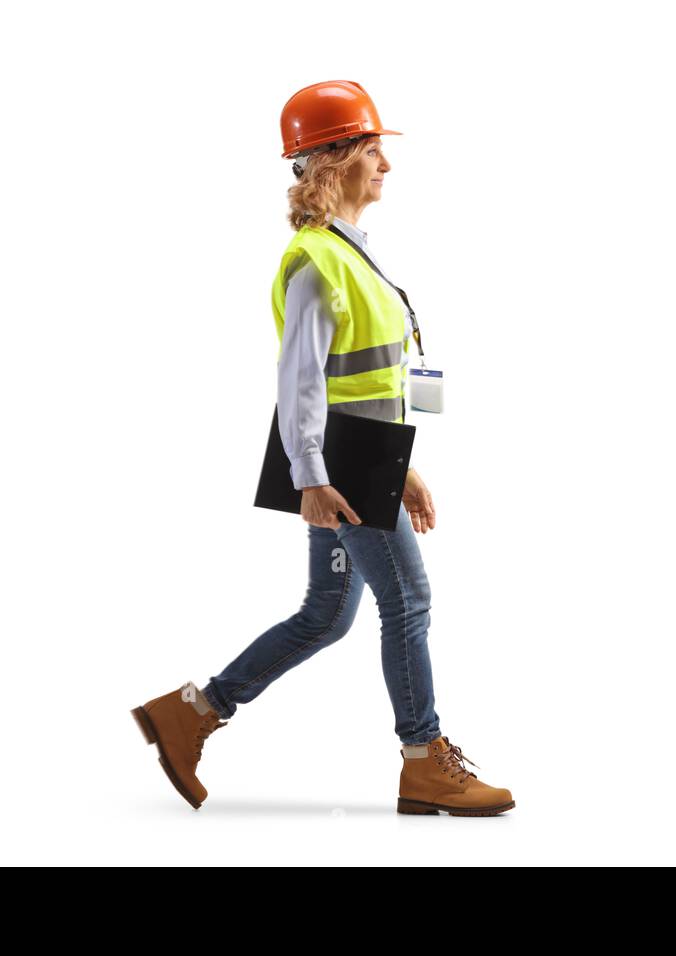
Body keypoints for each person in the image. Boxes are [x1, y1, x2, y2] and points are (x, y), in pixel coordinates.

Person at [130, 81, 514, 817]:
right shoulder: (315, 260)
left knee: (327, 613)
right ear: (333, 161)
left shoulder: (351, 254)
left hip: (364, 463)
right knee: (408, 599)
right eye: (374, 151)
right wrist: (310, 477)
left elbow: (363, 382)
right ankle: (424, 758)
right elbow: (301, 383)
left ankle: (192, 713)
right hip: (339, 472)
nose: (387, 168)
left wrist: (403, 469)